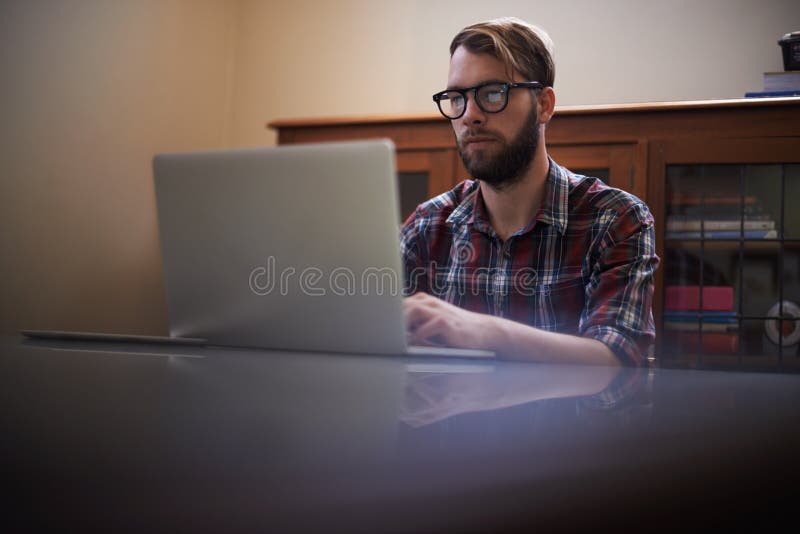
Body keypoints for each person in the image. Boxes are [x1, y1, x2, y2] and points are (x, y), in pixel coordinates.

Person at [401, 17, 659, 366]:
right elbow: (376, 340)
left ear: (544, 105)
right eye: (456, 97)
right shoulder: (426, 227)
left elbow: (616, 359)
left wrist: (484, 332)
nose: (469, 116)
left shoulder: (615, 220)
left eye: (492, 93)